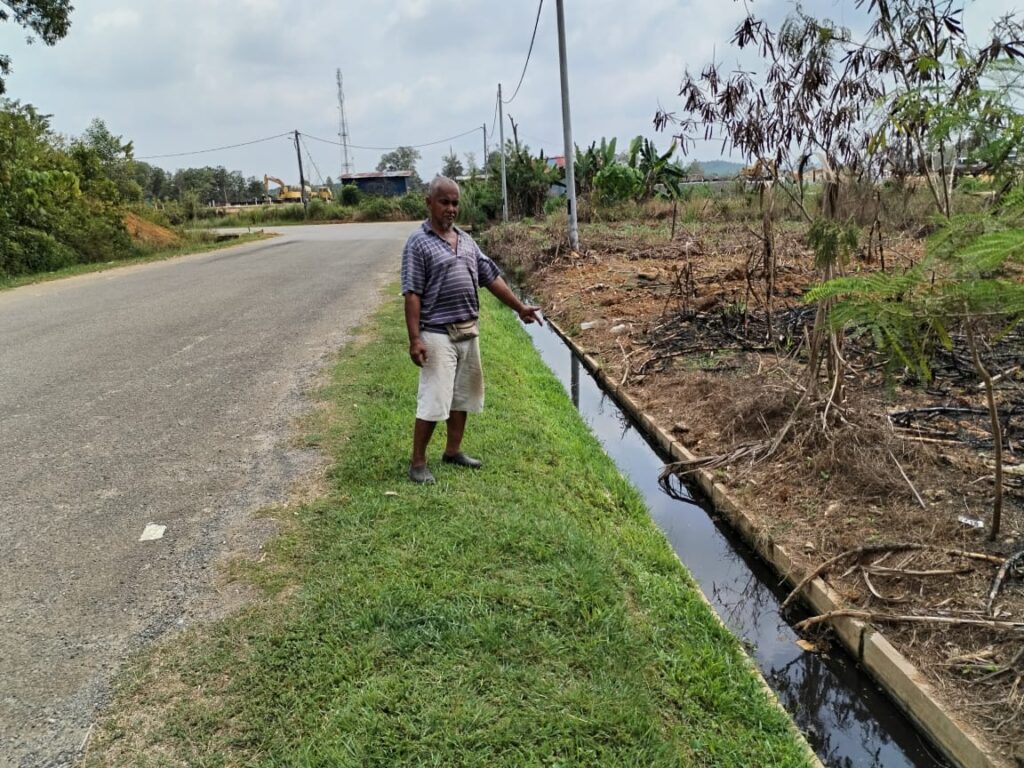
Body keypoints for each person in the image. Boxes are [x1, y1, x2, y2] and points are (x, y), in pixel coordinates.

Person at [401, 175, 542, 484]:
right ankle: (418, 462)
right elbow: (412, 293)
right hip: (437, 333)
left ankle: (452, 452)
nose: (451, 208)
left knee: (462, 397)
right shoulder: (418, 242)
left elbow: (490, 277)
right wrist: (415, 339)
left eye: (455, 203)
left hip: (468, 330)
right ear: (429, 203)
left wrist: (520, 308)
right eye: (444, 202)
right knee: (434, 400)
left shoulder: (465, 240)